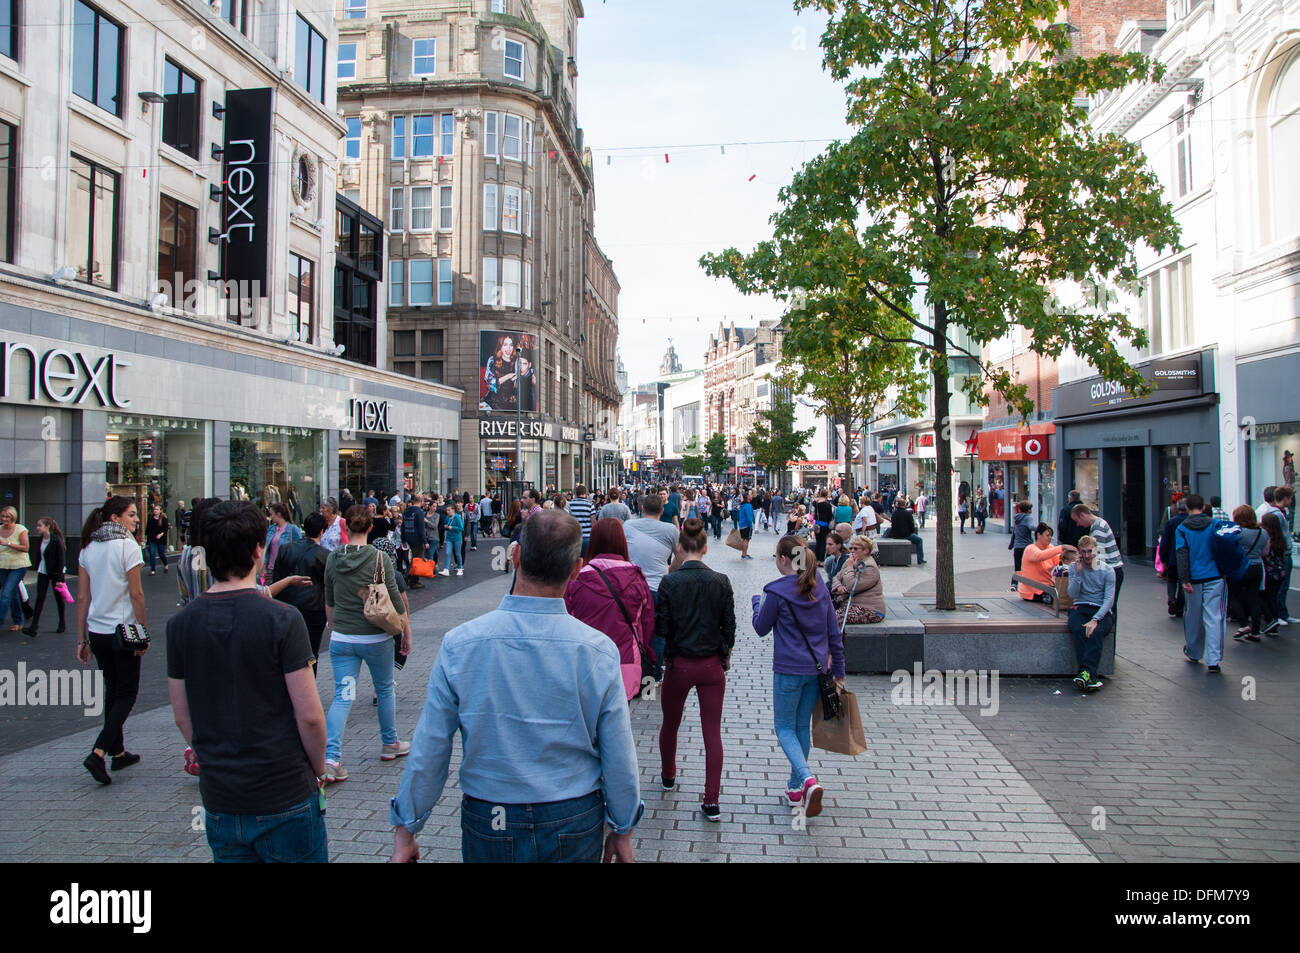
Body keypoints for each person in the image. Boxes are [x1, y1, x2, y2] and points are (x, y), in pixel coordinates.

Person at [389, 511, 643, 863]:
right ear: (576, 569)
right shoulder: (598, 651)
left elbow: (431, 745)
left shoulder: (461, 644)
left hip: (491, 812)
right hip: (573, 811)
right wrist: (622, 825)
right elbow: (618, 750)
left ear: (517, 557)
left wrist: (407, 827)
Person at [166, 501, 328, 863]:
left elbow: (182, 715)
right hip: (284, 788)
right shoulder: (283, 619)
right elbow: (310, 715)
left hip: (221, 795)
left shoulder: (180, 625)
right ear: (257, 551)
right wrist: (318, 769)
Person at [752, 535, 844, 818]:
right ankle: (795, 789)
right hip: (817, 671)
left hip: (788, 670)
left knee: (783, 728)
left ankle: (807, 779)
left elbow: (760, 628)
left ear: (782, 559)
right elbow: (834, 634)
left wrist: (757, 602)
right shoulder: (820, 588)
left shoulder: (776, 592)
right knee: (801, 727)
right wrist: (839, 671)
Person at [322, 506, 413, 783]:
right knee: (384, 689)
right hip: (376, 638)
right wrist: (406, 632)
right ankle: (390, 743)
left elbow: (329, 603)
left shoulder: (334, 558)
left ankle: (332, 758)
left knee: (343, 696)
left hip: (343, 640)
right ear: (370, 528)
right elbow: (396, 601)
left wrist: (336, 628)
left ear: (345, 527)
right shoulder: (379, 559)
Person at [654, 518, 735, 821]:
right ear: (705, 547)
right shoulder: (721, 581)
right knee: (712, 732)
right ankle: (711, 800)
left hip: (680, 664)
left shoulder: (669, 582)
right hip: (712, 665)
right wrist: (725, 652)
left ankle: (668, 776)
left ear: (678, 547)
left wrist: (664, 656)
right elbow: (730, 627)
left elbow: (661, 627)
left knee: (670, 724)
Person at [76, 497, 148, 784]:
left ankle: (118, 754)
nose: (136, 519)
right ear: (115, 518)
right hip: (124, 632)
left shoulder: (88, 548)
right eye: (131, 514)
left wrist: (81, 639)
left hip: (97, 631)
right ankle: (99, 752)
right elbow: (137, 595)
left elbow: (82, 598)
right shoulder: (127, 546)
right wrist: (142, 633)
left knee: (112, 690)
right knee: (127, 694)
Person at [563, 518, 656, 700]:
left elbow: (567, 619)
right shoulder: (636, 577)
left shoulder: (577, 579)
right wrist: (648, 652)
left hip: (585, 663)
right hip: (627, 660)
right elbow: (647, 622)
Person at [1175, 494, 1225, 674]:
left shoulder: (1182, 528)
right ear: (1203, 508)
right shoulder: (1214, 525)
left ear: (1187, 508)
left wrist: (1184, 579)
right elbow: (1222, 548)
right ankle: (1214, 659)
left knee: (1193, 615)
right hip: (1214, 575)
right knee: (1214, 617)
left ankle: (1194, 651)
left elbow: (1182, 554)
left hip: (1194, 578)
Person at [273, 512, 330, 669]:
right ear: (321, 532)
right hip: (313, 608)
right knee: (311, 653)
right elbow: (328, 586)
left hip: (286, 605)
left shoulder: (285, 549)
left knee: (285, 650)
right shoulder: (324, 555)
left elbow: (277, 579)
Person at [1066, 535, 1116, 692]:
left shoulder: (1108, 571)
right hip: (1080, 607)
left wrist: (1095, 619)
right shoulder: (1075, 568)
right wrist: (1079, 574)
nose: (1087, 556)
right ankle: (1089, 675)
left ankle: (1085, 673)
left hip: (1101, 609)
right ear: (1079, 553)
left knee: (1096, 632)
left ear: (1096, 551)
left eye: (1090, 551)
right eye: (1083, 552)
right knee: (1079, 630)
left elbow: (1109, 600)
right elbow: (1073, 594)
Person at [1228, 506, 1269, 643]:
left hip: (1241, 566)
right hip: (1257, 567)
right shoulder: (1263, 533)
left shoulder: (1238, 533)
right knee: (1254, 598)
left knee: (1234, 595)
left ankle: (1244, 624)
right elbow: (1265, 553)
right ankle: (1256, 631)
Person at [23, 518, 67, 637]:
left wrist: (59, 578)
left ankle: (62, 622)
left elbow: (61, 560)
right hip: (43, 571)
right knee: (40, 598)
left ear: (47, 526)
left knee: (58, 598)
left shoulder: (56, 540)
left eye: (39, 526)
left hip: (55, 573)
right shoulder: (41, 539)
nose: (37, 528)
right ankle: (34, 627)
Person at [1071, 504, 1124, 603]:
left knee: (1108, 605)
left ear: (1082, 515)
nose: (1078, 524)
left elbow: (1099, 557)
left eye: (1077, 521)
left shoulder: (1097, 528)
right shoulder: (1098, 524)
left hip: (1111, 570)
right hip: (1113, 569)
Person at [831, 536, 887, 626]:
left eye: (856, 548)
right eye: (851, 548)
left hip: (869, 609)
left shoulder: (870, 567)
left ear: (866, 551)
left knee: (831, 619)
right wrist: (838, 587)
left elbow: (852, 586)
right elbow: (836, 578)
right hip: (848, 605)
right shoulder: (851, 561)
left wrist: (849, 567)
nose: (852, 551)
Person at [1019, 523, 1073, 604]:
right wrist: (1062, 547)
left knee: (1068, 595)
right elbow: (1040, 556)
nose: (1050, 538)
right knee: (1060, 600)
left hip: (1047, 587)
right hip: (1032, 591)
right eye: (1047, 535)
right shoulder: (1030, 549)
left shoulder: (1050, 548)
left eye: (1051, 535)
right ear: (1039, 535)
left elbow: (1059, 560)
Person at [0, 506, 32, 631]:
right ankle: (18, 620)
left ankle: (0, 621)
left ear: (13, 517)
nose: (4, 519)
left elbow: (26, 548)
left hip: (18, 566)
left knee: (5, 594)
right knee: (12, 594)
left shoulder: (20, 529)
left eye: (7, 516)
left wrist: (7, 543)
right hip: (2, 566)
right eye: (2, 516)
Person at [1260, 512, 1290, 635]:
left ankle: (1271, 620)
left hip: (1269, 572)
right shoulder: (1280, 538)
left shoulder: (1267, 538)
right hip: (1280, 572)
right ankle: (1274, 621)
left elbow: (1265, 553)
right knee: (1273, 597)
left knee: (1263, 597)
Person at [1158, 500, 1189, 617]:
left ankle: (1171, 599)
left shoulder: (1171, 522)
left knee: (1171, 579)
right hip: (1185, 558)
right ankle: (1180, 607)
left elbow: (1165, 541)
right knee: (1182, 581)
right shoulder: (1188, 522)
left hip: (1171, 557)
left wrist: (1163, 558)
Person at [263, 503, 302, 583]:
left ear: (279, 514)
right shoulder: (271, 529)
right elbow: (266, 548)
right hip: (270, 569)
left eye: (271, 514)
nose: (270, 517)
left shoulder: (293, 529)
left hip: (286, 569)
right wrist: (264, 566)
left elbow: (299, 550)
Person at [885, 496, 926, 565]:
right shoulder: (908, 514)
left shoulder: (894, 513)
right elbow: (911, 526)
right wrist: (912, 532)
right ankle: (920, 559)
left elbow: (893, 524)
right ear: (904, 505)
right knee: (919, 540)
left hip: (895, 535)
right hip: (906, 535)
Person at [1010, 500, 1035, 590]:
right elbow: (1030, 527)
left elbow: (1014, 533)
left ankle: (1014, 584)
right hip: (1026, 546)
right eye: (1031, 508)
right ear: (1028, 510)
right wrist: (1041, 527)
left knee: (1017, 567)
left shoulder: (1017, 519)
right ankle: (1027, 585)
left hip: (1017, 547)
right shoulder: (1028, 518)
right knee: (1028, 566)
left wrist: (1011, 544)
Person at [567, 484, 597, 557]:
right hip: (587, 537)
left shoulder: (570, 504)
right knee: (586, 561)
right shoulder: (590, 504)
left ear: (576, 493)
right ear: (585, 493)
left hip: (574, 537)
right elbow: (593, 523)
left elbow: (567, 520)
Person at [144, 504, 170, 576]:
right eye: (154, 509)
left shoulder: (164, 519)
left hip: (161, 539)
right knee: (152, 554)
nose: (155, 511)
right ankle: (153, 570)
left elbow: (166, 529)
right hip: (152, 539)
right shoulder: (151, 518)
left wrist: (161, 534)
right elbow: (148, 528)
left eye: (157, 509)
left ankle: (165, 564)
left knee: (161, 553)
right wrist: (146, 537)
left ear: (160, 511)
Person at [441, 502, 464, 576]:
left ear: (453, 510)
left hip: (457, 538)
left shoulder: (457, 517)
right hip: (449, 538)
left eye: (449, 510)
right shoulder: (447, 517)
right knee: (447, 553)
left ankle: (460, 568)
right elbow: (446, 524)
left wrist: (452, 527)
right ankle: (446, 569)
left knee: (457, 553)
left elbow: (461, 528)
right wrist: (446, 526)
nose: (447, 512)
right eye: (447, 510)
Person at [812, 489, 835, 563]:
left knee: (818, 542)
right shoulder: (827, 505)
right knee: (823, 542)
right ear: (827, 495)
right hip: (825, 525)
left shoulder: (815, 503)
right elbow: (830, 517)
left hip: (817, 525)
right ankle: (821, 560)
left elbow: (813, 513)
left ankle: (816, 558)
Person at [737, 489, 754, 560]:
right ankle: (744, 554)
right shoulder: (748, 505)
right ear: (748, 497)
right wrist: (751, 524)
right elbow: (749, 516)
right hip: (746, 524)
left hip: (742, 524)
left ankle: (744, 553)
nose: (751, 496)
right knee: (746, 540)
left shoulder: (742, 505)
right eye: (750, 495)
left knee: (744, 539)